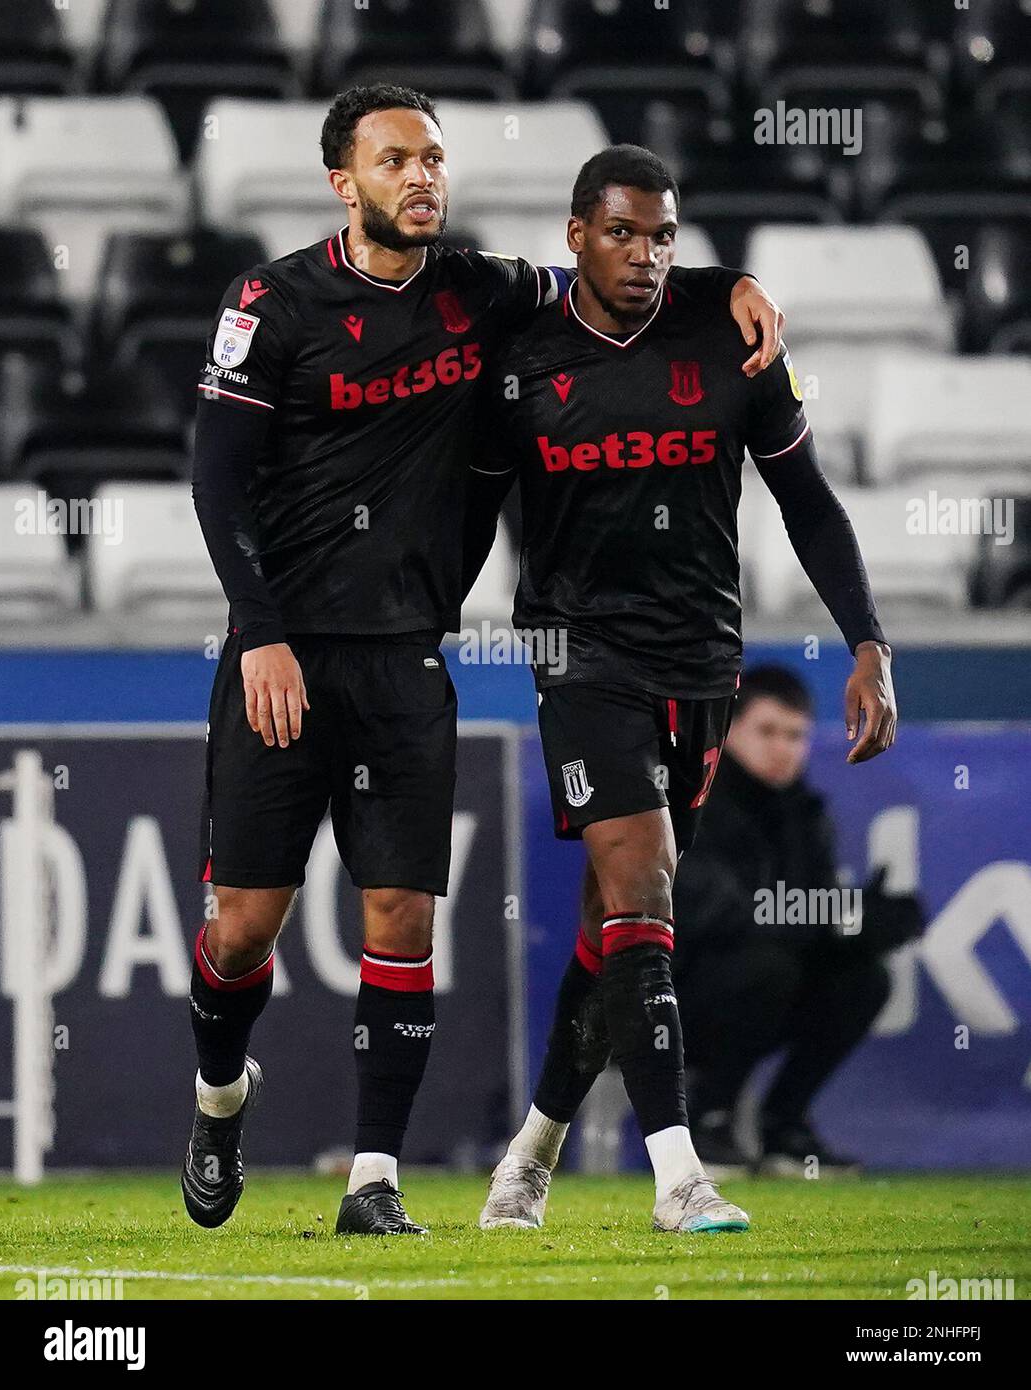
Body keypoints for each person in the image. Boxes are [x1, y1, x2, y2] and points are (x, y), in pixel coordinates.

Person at [184, 89, 783, 1237]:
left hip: (407, 658)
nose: (421, 177)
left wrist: (725, 286)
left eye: (433, 158)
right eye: (393, 160)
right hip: (283, 656)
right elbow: (215, 477)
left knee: (401, 914)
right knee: (243, 929)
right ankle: (219, 1094)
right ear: (341, 183)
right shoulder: (272, 304)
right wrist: (257, 631)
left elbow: (617, 272)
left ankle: (372, 1179)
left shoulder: (481, 290)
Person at [463, 144, 897, 1235]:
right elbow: (466, 512)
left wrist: (866, 641)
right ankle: (678, 1176)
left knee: (612, 919)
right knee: (641, 881)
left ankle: (528, 1155)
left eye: (662, 236)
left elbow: (806, 499)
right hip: (578, 654)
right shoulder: (519, 356)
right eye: (620, 232)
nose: (645, 255)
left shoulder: (731, 340)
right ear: (575, 236)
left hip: (701, 660)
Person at [673, 666, 924, 1177]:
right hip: (676, 999)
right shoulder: (691, 803)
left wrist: (865, 922)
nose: (782, 749)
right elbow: (721, 914)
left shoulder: (804, 813)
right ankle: (707, 1116)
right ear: (728, 731)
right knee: (768, 966)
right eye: (767, 731)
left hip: (764, 995)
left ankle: (784, 1125)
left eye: (796, 736)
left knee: (863, 979)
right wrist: (839, 917)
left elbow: (806, 916)